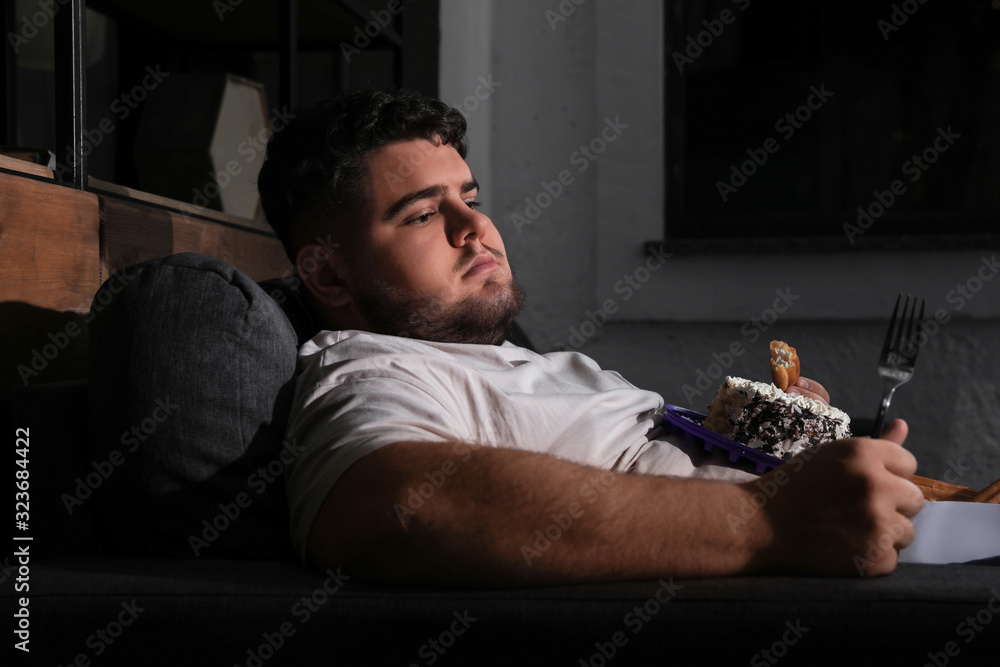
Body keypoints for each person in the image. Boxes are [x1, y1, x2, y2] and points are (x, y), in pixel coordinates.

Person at [256, 89, 923, 586]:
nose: (475, 228)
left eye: (471, 197)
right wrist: (772, 519)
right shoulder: (371, 369)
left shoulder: (514, 360)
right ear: (329, 271)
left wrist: (774, 441)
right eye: (425, 213)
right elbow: (392, 504)